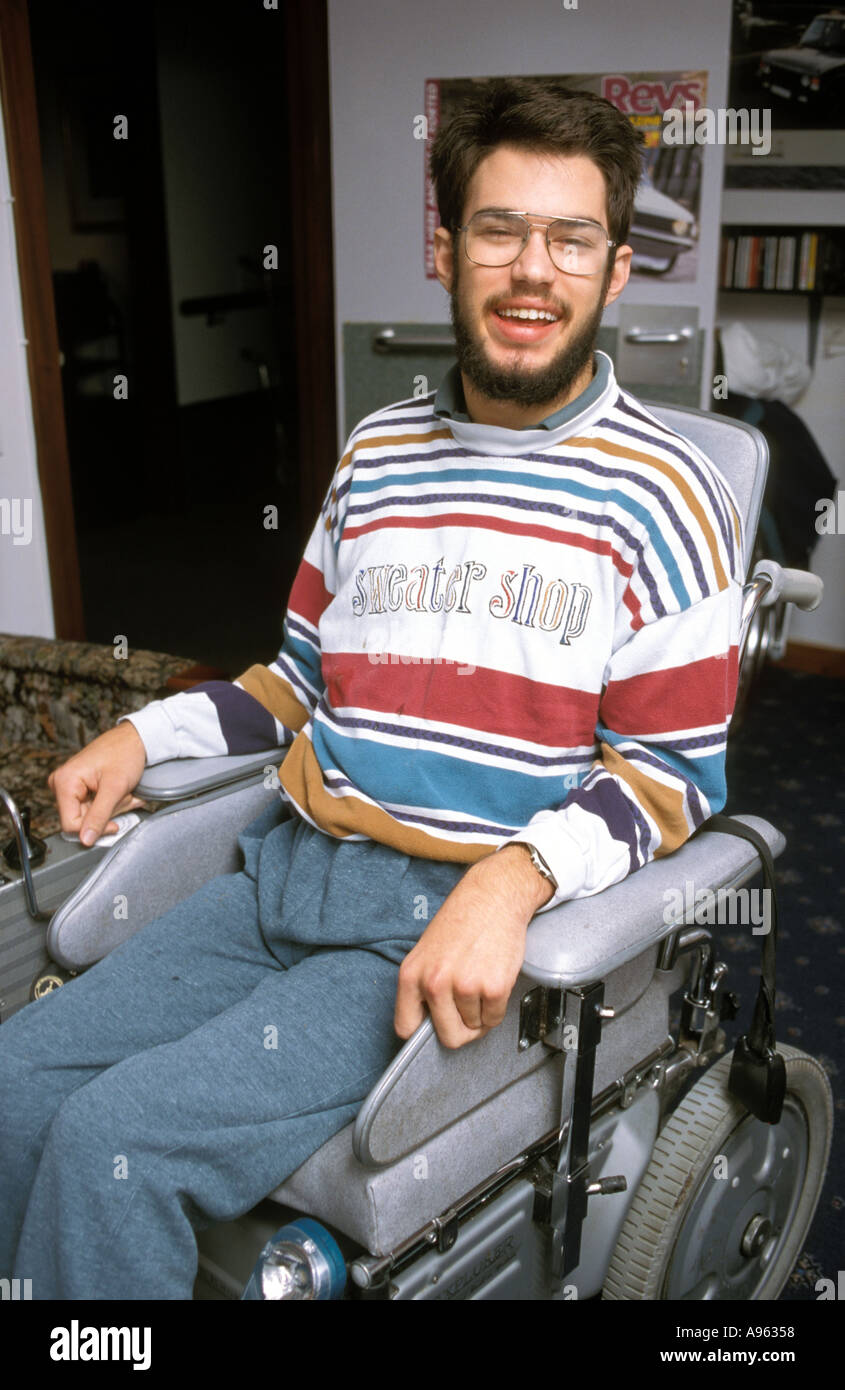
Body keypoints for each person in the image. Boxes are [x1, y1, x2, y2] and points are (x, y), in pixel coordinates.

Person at [0, 79, 742, 1299]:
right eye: (498, 230)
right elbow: (297, 678)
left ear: (614, 273)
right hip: (282, 875)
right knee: (20, 1077)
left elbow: (668, 778)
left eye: (569, 240)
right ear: (445, 251)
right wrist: (144, 734)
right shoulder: (378, 451)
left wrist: (514, 876)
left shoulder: (663, 498)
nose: (530, 272)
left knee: (113, 1149)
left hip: (424, 930)